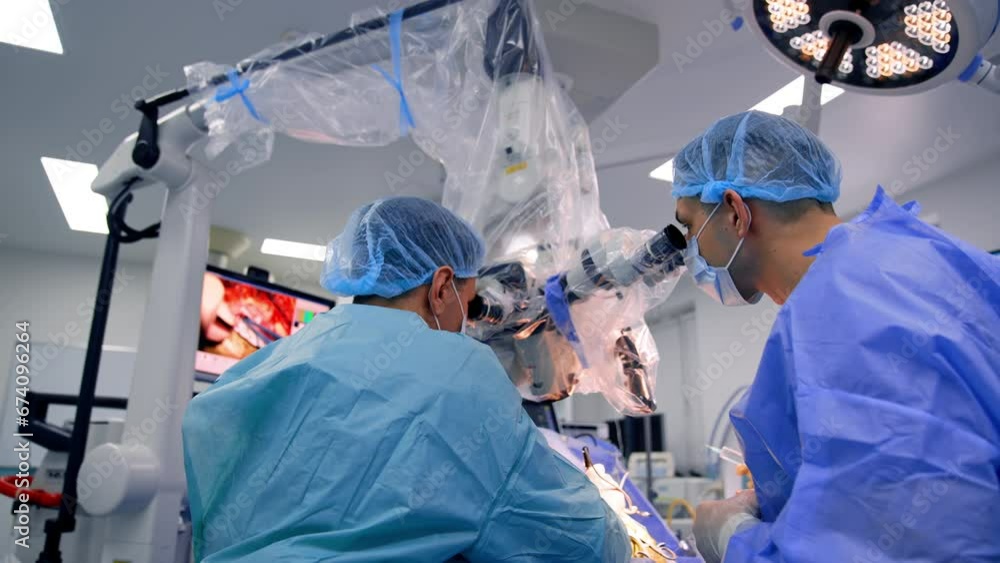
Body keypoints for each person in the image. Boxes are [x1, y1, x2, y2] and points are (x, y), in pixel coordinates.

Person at [182, 196, 630, 562]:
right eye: (468, 304)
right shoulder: (459, 371)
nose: (469, 323)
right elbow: (578, 542)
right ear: (441, 287)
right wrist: (615, 525)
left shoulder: (263, 364)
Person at [671, 111, 1000, 562]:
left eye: (689, 227)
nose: (691, 250)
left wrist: (733, 540)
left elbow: (899, 546)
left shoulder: (844, 308)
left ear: (734, 212)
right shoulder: (931, 258)